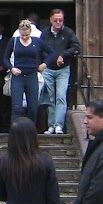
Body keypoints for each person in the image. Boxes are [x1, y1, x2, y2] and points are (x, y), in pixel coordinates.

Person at [38, 8, 81, 136]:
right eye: (55, 20)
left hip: (63, 69)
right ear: (50, 20)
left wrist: (63, 55)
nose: (58, 22)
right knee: (49, 98)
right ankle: (51, 125)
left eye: (60, 20)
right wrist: (47, 61)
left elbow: (76, 47)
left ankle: (59, 126)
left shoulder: (68, 32)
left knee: (61, 96)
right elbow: (40, 49)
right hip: (48, 69)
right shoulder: (44, 33)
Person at [6, 19, 45, 128]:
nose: (24, 37)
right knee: (17, 108)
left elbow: (51, 53)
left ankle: (31, 133)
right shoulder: (14, 41)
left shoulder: (37, 41)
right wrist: (11, 68)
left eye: (26, 35)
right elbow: (5, 58)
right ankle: (14, 132)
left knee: (32, 108)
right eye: (22, 35)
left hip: (32, 76)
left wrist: (44, 64)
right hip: (18, 77)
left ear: (30, 32)